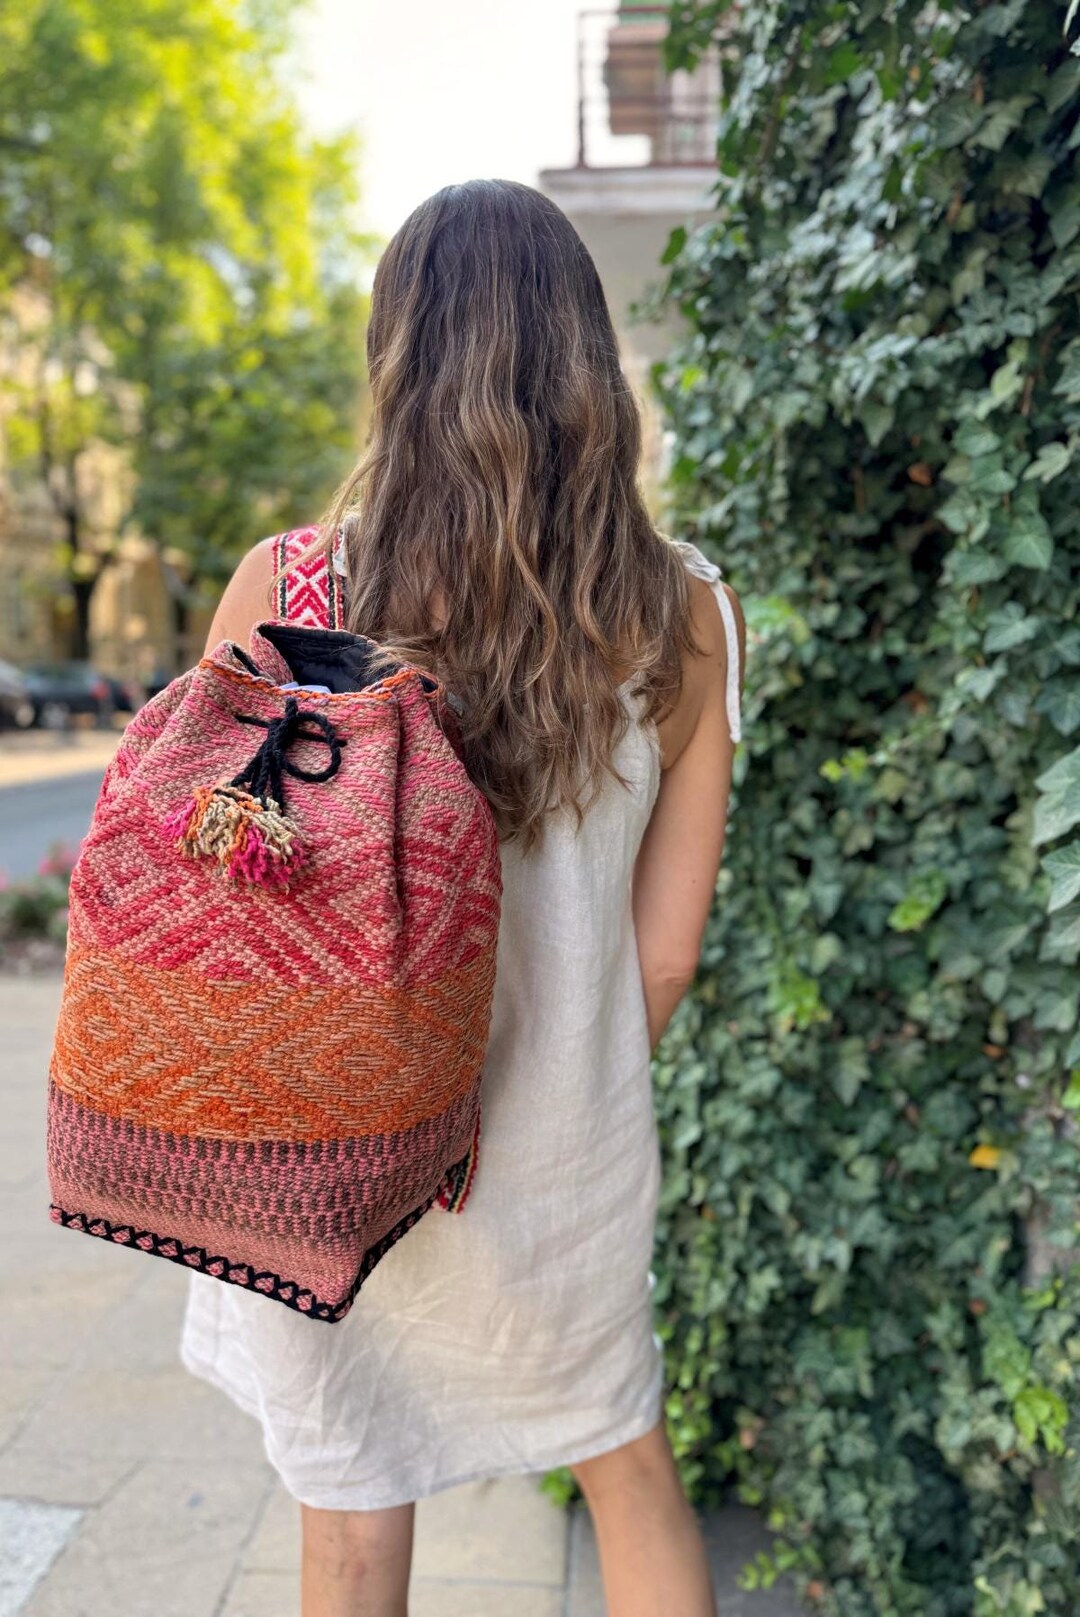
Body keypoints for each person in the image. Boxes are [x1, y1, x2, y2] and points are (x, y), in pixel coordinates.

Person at [180, 178, 745, 1617]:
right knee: (627, 1465)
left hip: (327, 1156)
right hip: (556, 1157)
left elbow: (218, 887)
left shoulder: (295, 583)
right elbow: (665, 952)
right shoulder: (684, 612)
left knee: (352, 1514)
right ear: (586, 365)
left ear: (398, 354)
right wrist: (569, 1086)